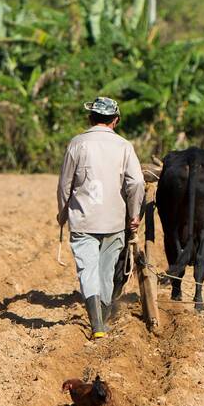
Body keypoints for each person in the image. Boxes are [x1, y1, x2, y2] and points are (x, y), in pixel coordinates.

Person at [57, 95, 145, 339]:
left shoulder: (77, 144)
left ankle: (97, 325)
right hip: (115, 221)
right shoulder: (124, 146)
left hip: (83, 219)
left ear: (90, 118)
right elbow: (137, 182)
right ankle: (102, 321)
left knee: (88, 270)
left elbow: (65, 185)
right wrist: (135, 214)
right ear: (115, 121)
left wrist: (62, 214)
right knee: (106, 273)